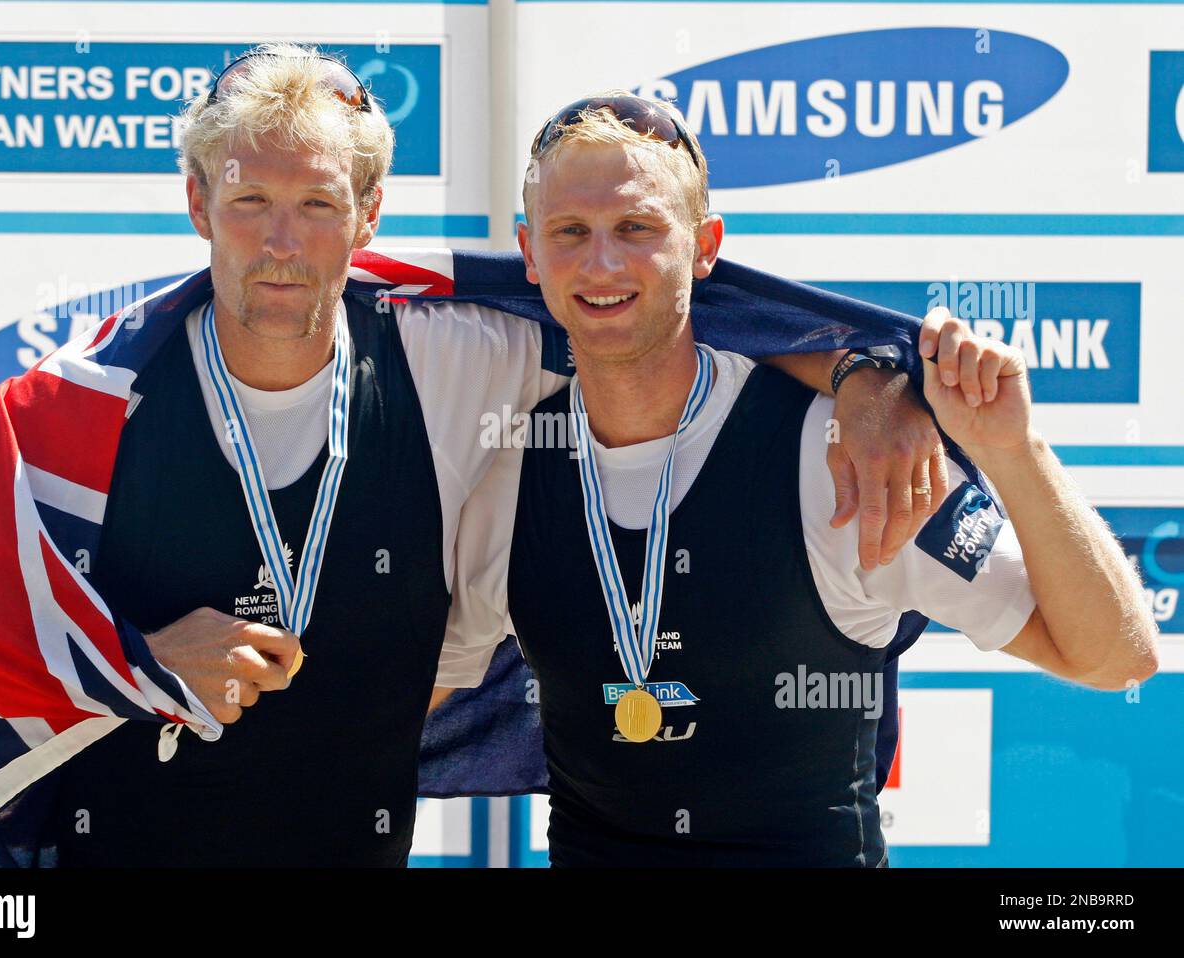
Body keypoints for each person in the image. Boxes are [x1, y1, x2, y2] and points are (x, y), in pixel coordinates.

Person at [5, 49, 939, 866]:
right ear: (199, 204)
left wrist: (865, 371)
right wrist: (138, 660)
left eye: (318, 203)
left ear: (369, 214)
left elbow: (651, 319)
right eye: (250, 200)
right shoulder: (80, 402)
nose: (281, 243)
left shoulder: (453, 351)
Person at [441, 94, 1161, 866]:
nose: (602, 263)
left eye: (637, 228)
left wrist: (1017, 453)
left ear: (705, 246)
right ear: (529, 251)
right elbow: (401, 700)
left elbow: (1114, 657)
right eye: (570, 233)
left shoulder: (846, 451)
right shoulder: (506, 473)